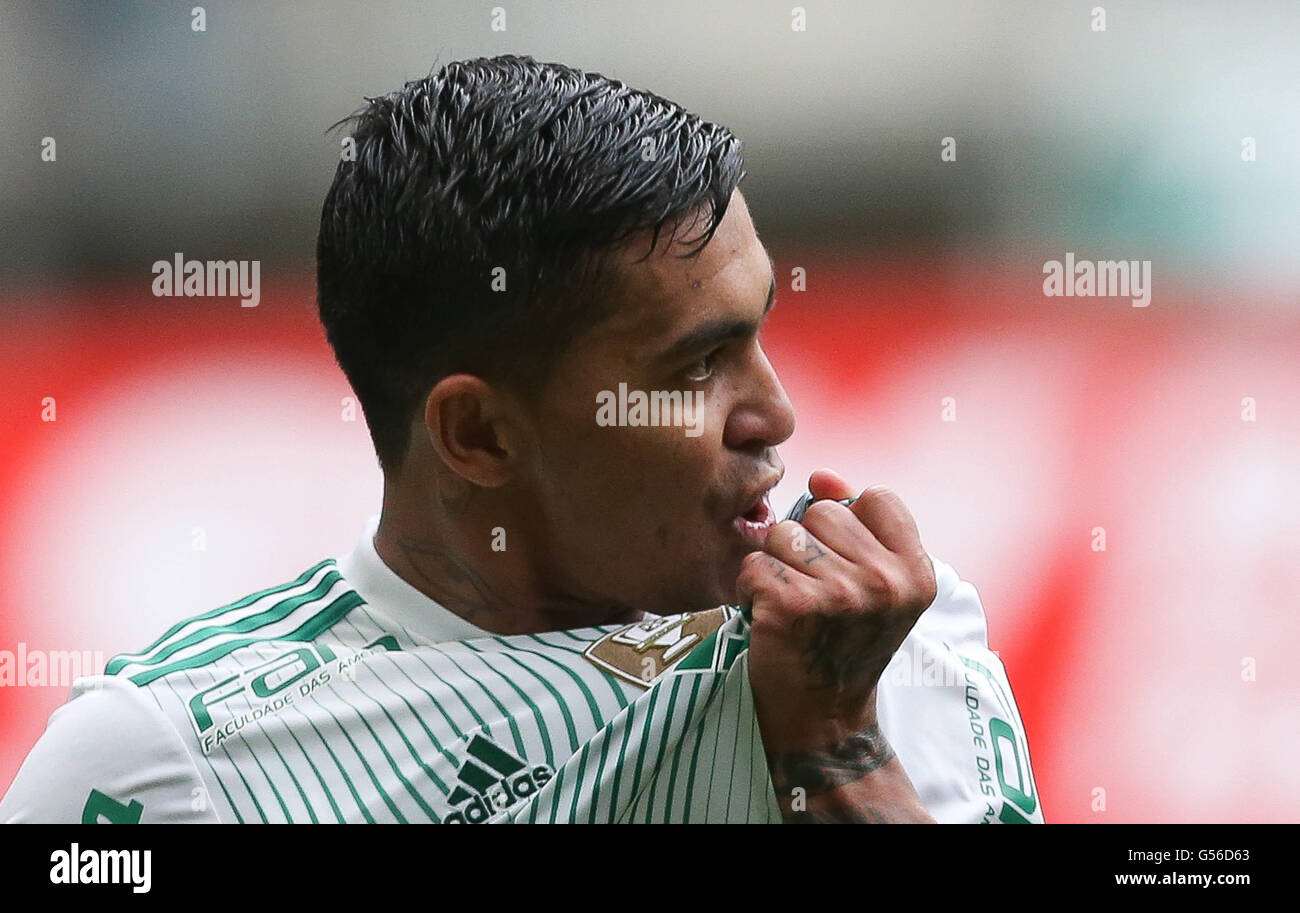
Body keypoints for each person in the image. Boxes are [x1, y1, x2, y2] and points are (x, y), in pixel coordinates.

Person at [0, 54, 1042, 824]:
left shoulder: (884, 651)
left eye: (759, 331)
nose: (774, 412)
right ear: (479, 434)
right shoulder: (164, 761)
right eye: (693, 367)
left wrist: (836, 753)